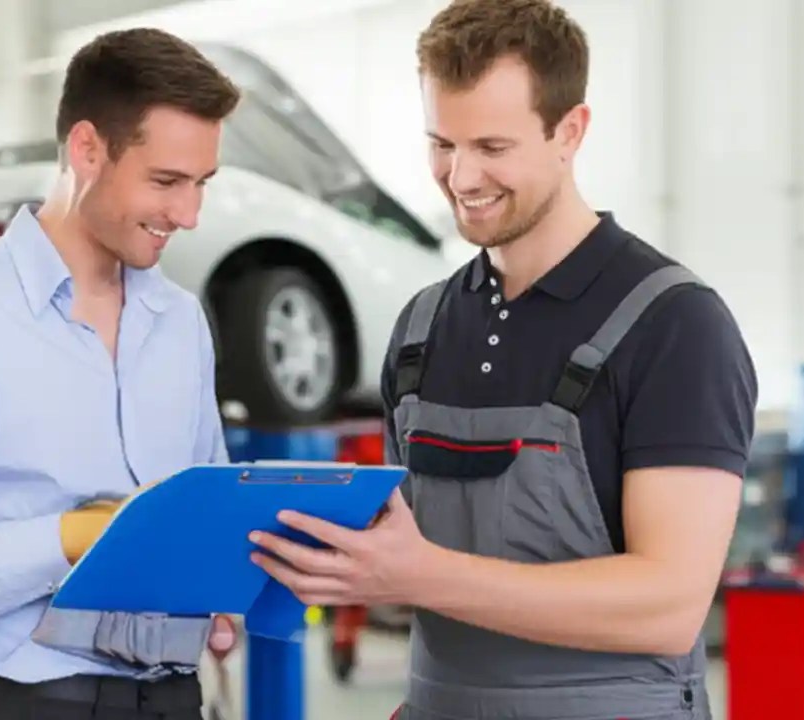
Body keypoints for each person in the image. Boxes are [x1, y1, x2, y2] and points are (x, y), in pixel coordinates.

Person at [248, 1, 757, 718]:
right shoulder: (421, 327)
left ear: (569, 132)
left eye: (492, 147)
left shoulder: (675, 326)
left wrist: (422, 577)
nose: (460, 178)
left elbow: (668, 606)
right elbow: (404, 547)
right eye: (441, 144)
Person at [0, 27, 242, 720]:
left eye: (201, 184)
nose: (188, 214)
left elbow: (207, 514)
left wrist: (227, 587)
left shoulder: (181, 323)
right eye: (167, 182)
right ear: (87, 149)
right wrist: (69, 537)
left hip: (179, 702)